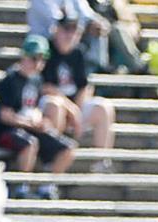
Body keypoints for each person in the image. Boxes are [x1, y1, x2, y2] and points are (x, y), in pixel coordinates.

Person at [0, 37, 78, 193]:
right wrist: (29, 123)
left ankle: (48, 187)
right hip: (8, 131)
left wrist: (40, 120)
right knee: (30, 143)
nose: (38, 64)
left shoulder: (37, 79)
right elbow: (5, 116)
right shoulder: (9, 79)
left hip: (30, 127)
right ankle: (21, 186)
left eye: (42, 60)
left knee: (68, 148)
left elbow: (34, 107)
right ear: (24, 56)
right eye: (34, 59)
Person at [41, 12, 114, 162]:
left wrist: (77, 110)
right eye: (66, 30)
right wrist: (72, 109)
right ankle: (52, 160)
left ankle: (102, 162)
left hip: (74, 106)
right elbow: (45, 87)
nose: (71, 35)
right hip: (50, 107)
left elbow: (84, 86)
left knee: (103, 107)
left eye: (75, 31)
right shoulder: (47, 50)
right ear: (57, 30)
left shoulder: (78, 52)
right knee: (56, 106)